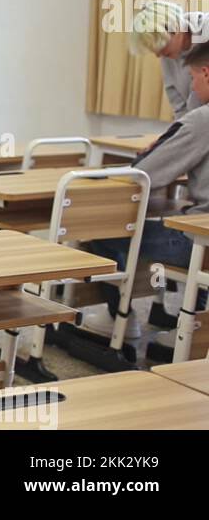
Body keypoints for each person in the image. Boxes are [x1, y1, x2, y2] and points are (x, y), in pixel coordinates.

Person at [82, 40, 209, 349]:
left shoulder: (202, 119)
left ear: (206, 73)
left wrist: (164, 145)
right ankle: (192, 317)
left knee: (99, 230)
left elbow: (144, 173)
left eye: (192, 77)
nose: (190, 87)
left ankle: (121, 321)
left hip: (200, 241)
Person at [130, 0, 209, 120]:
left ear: (175, 28)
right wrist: (179, 135)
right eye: (153, 49)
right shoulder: (168, 57)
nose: (158, 54)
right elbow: (180, 108)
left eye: (160, 46)